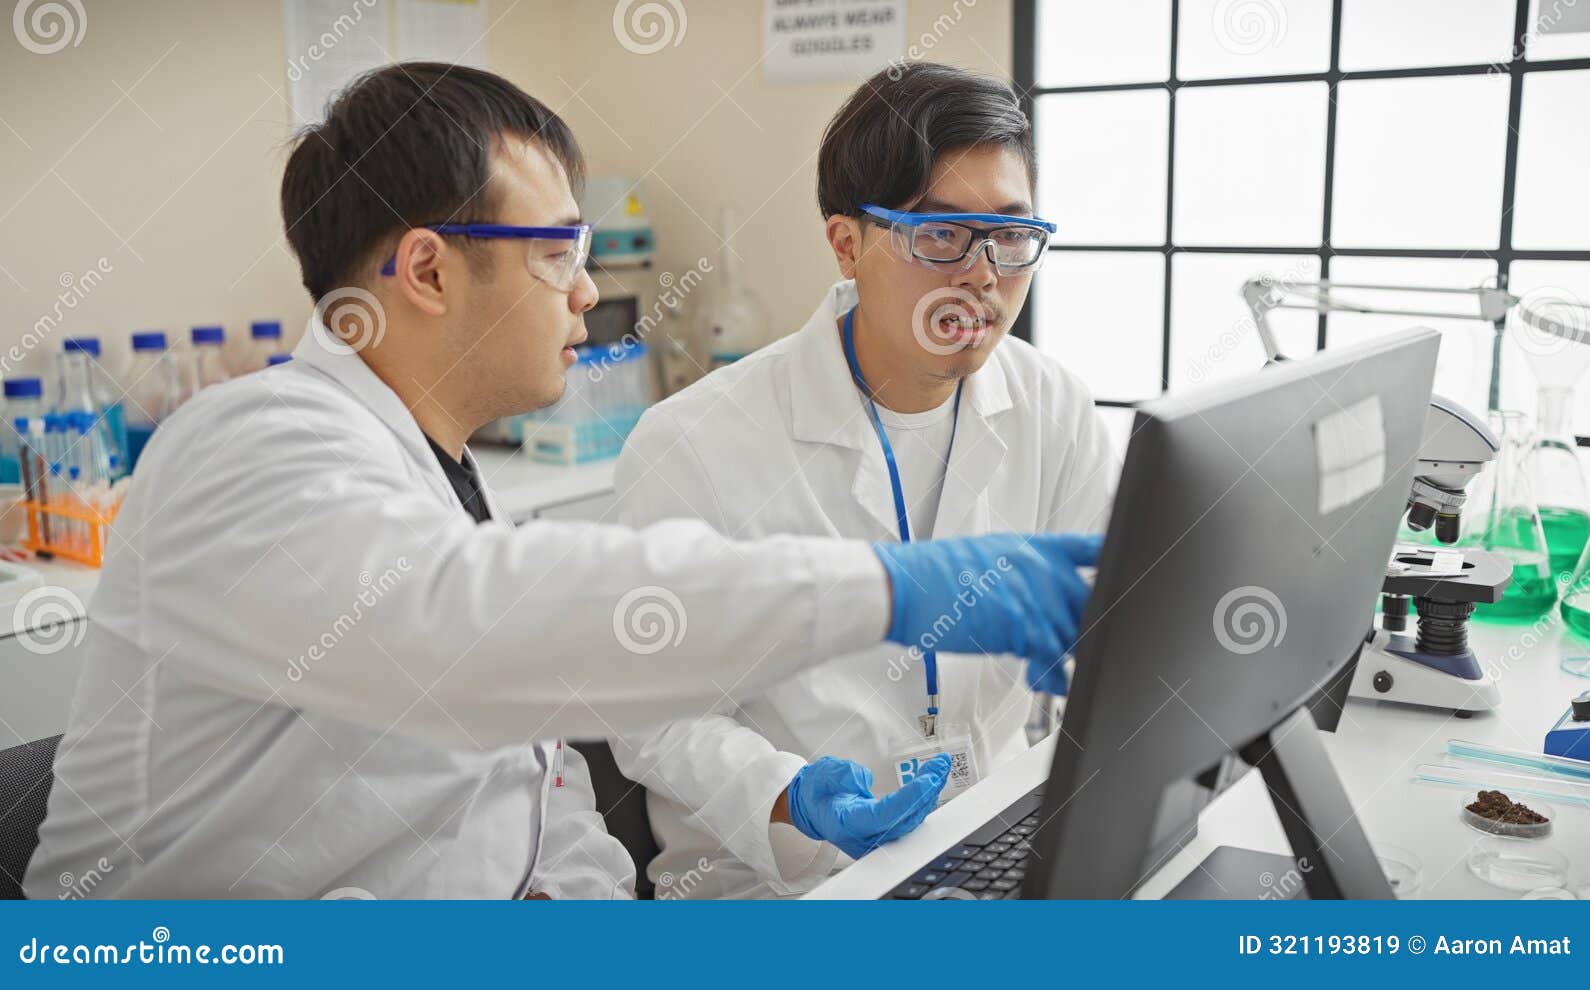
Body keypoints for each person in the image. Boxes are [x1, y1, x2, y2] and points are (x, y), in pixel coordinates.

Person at [22, 63, 1099, 900]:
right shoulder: (249, 446)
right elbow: (476, 626)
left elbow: (544, 804)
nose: (587, 292)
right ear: (431, 270)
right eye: (555, 253)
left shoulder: (433, 472)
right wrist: (890, 587)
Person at [610, 63, 1119, 899]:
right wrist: (789, 798)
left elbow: (1100, 621)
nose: (986, 276)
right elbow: (650, 711)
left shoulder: (1051, 405)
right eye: (942, 236)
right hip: (778, 889)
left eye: (1012, 236)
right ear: (847, 244)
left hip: (980, 845)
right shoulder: (692, 442)